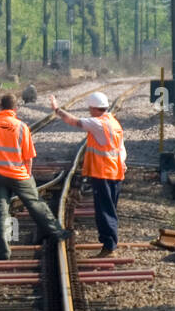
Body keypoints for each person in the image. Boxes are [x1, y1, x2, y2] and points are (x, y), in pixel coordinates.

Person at [0, 93, 71, 260]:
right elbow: (28, 157)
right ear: (15, 108)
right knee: (35, 204)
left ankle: (3, 253)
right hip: (17, 174)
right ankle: (57, 233)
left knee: (0, 212)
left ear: (0, 106)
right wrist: (27, 175)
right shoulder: (21, 127)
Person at [50, 91, 126, 257]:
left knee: (104, 210)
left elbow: (73, 121)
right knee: (110, 209)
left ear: (94, 108)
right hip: (116, 173)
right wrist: (123, 163)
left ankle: (109, 246)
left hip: (103, 173)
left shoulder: (98, 123)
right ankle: (110, 243)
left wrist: (57, 109)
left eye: (90, 108)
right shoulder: (113, 123)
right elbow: (121, 149)